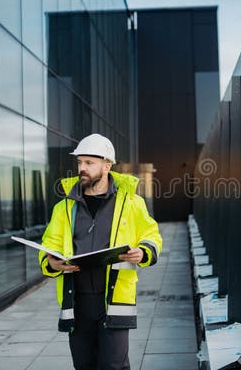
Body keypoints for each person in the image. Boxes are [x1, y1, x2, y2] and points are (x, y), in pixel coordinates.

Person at [39, 133, 162, 369]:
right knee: (84, 365)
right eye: (79, 162)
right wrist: (51, 261)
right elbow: (50, 243)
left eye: (89, 163)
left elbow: (151, 235)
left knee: (113, 365)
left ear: (107, 166)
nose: (81, 168)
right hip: (77, 301)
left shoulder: (131, 203)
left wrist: (143, 251)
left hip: (115, 300)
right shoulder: (63, 207)